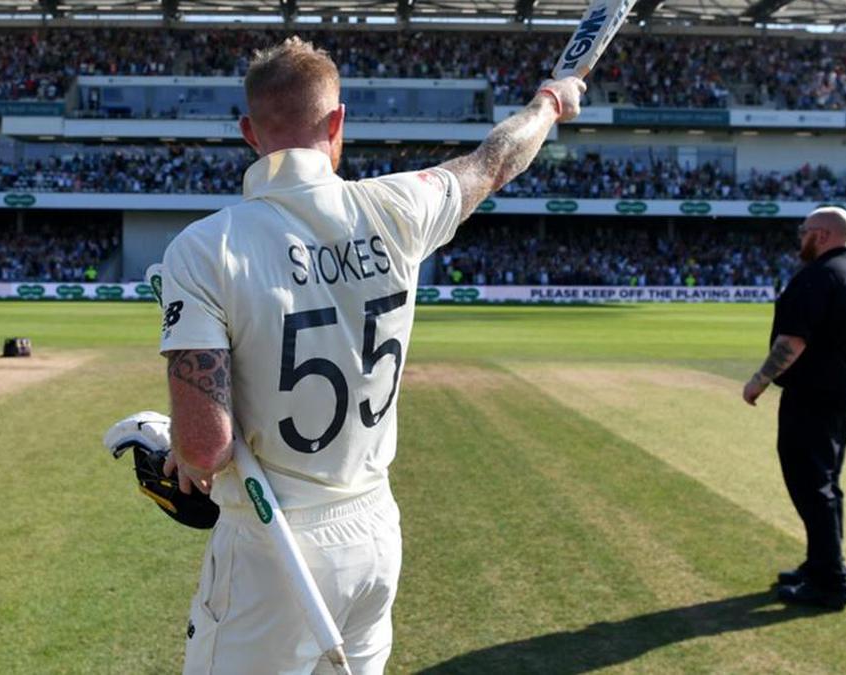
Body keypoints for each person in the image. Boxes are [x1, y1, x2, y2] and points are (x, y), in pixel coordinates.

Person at [155, 37, 583, 673]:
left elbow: (205, 449)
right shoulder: (399, 206)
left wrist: (178, 453)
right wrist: (549, 102)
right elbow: (494, 161)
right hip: (375, 532)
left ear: (248, 132)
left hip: (275, 546)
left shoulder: (203, 248)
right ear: (337, 123)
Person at [742, 207, 846, 611]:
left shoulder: (819, 276)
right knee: (827, 486)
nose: (800, 238)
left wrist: (759, 380)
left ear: (821, 234)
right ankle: (820, 566)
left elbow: (793, 341)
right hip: (842, 399)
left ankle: (831, 582)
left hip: (814, 400)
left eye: (804, 231)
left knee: (811, 488)